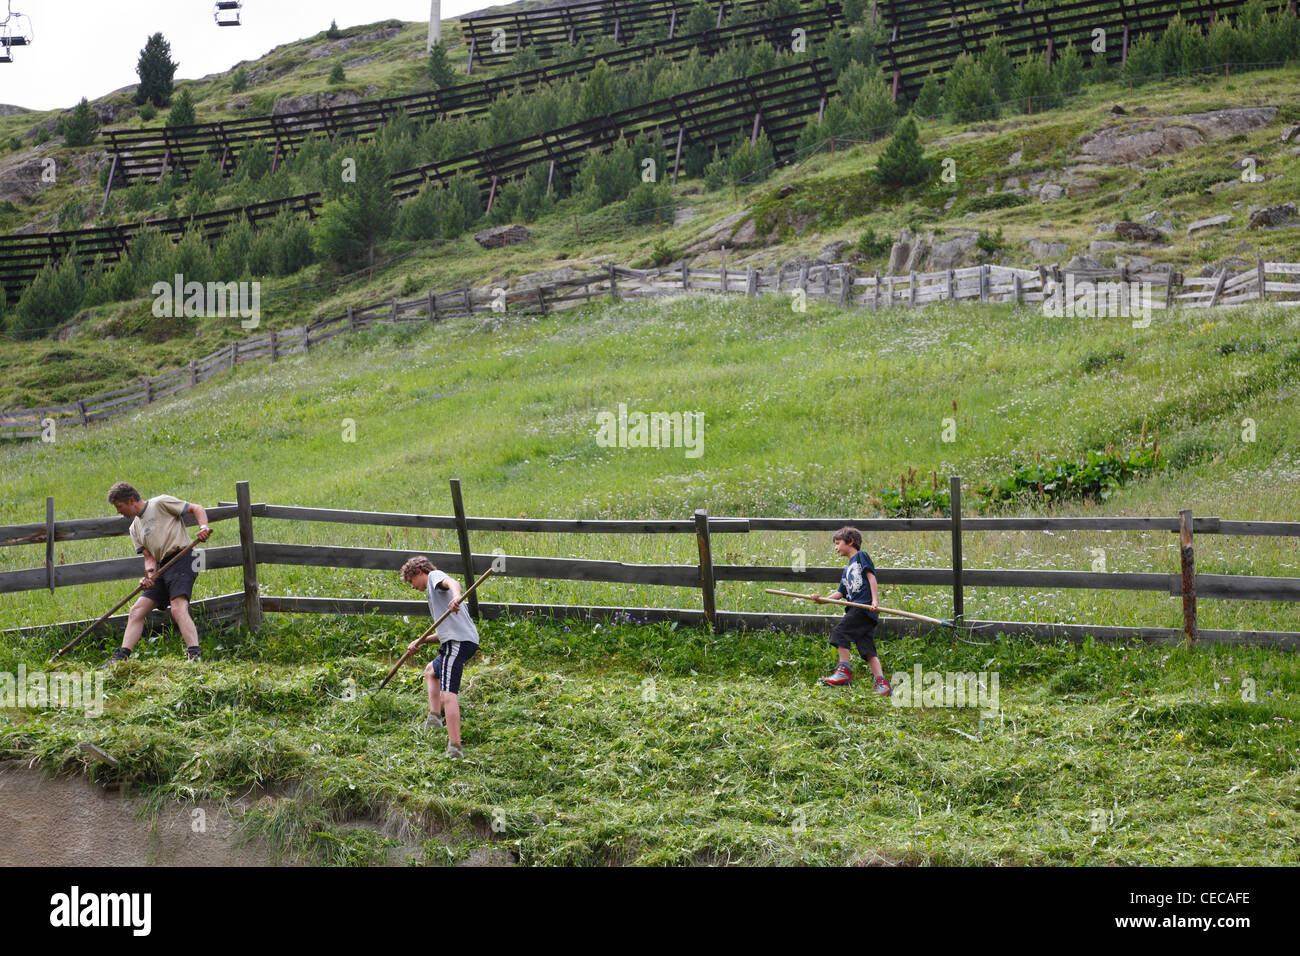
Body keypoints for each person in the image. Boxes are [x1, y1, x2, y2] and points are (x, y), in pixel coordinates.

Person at [100, 482, 211, 667]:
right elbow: (149, 557)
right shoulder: (134, 528)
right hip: (162, 567)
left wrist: (203, 528)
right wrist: (149, 576)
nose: (119, 512)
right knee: (136, 610)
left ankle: (195, 656)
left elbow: (196, 508)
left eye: (119, 506)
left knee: (177, 607)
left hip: (182, 558)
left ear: (131, 500)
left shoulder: (160, 503)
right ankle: (120, 659)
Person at [400, 556, 479, 759]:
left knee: (448, 694)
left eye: (411, 581)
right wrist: (421, 640)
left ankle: (455, 746)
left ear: (418, 572)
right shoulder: (434, 596)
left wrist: (456, 596)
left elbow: (452, 582)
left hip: (457, 643)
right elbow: (444, 632)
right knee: (431, 671)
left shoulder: (435, 577)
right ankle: (435, 718)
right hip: (460, 640)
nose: (412, 586)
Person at [813, 526, 891, 694]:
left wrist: (875, 601)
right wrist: (822, 601)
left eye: (838, 543)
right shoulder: (847, 569)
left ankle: (844, 672)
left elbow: (871, 577)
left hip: (863, 607)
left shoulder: (861, 557)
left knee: (840, 633)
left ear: (850, 542)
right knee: (867, 648)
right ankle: (882, 684)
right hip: (857, 610)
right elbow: (840, 593)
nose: (835, 547)